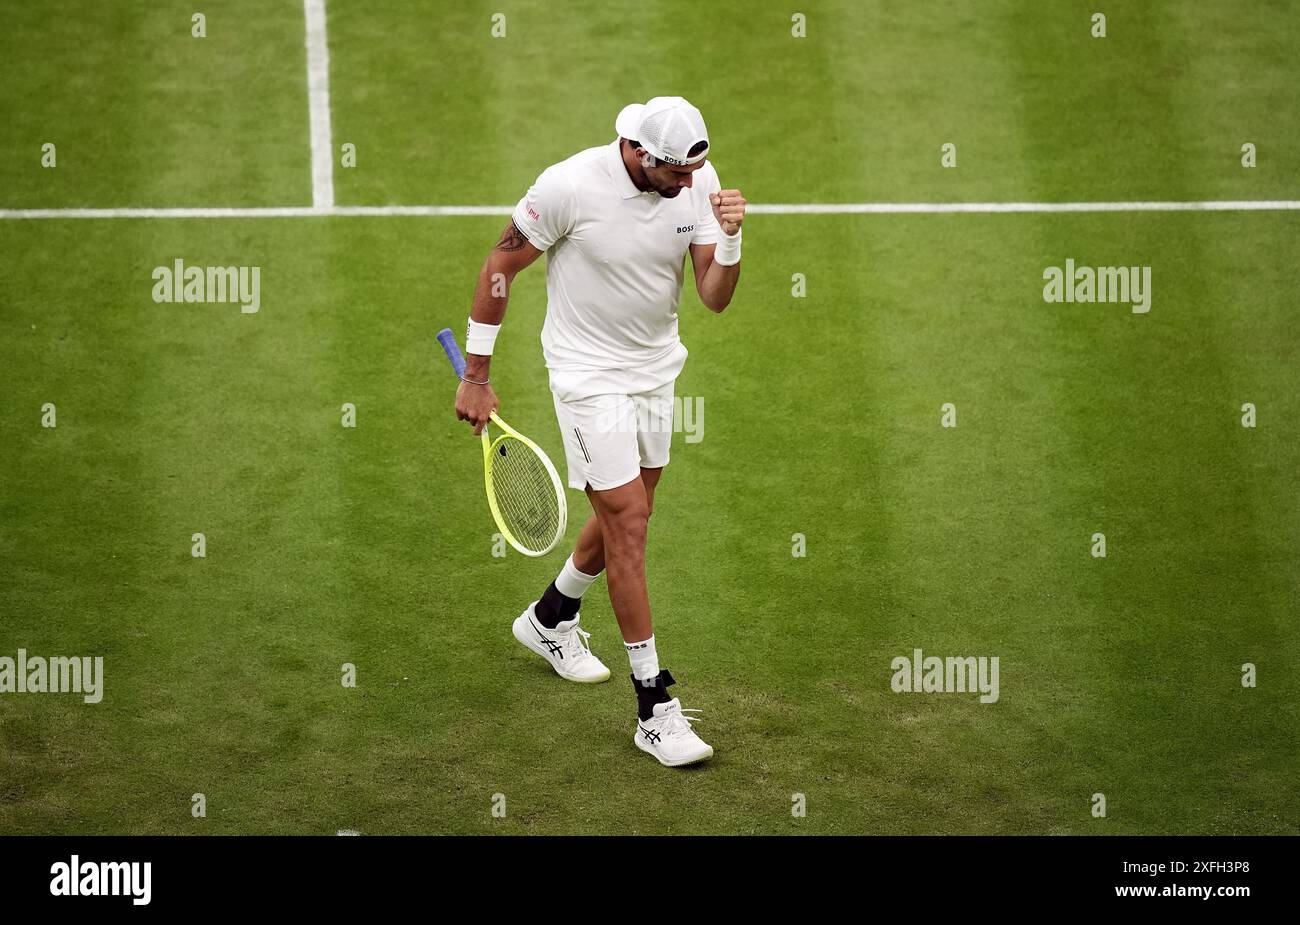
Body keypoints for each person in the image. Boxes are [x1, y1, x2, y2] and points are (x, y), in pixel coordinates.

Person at [454, 96, 745, 767]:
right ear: (641, 154)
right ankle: (653, 705)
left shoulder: (695, 179)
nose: (687, 184)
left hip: (655, 371)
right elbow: (500, 266)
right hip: (587, 375)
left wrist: (729, 237)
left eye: (693, 171)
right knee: (630, 525)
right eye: (675, 172)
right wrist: (476, 372)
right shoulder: (569, 187)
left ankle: (551, 617)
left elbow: (714, 295)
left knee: (633, 511)